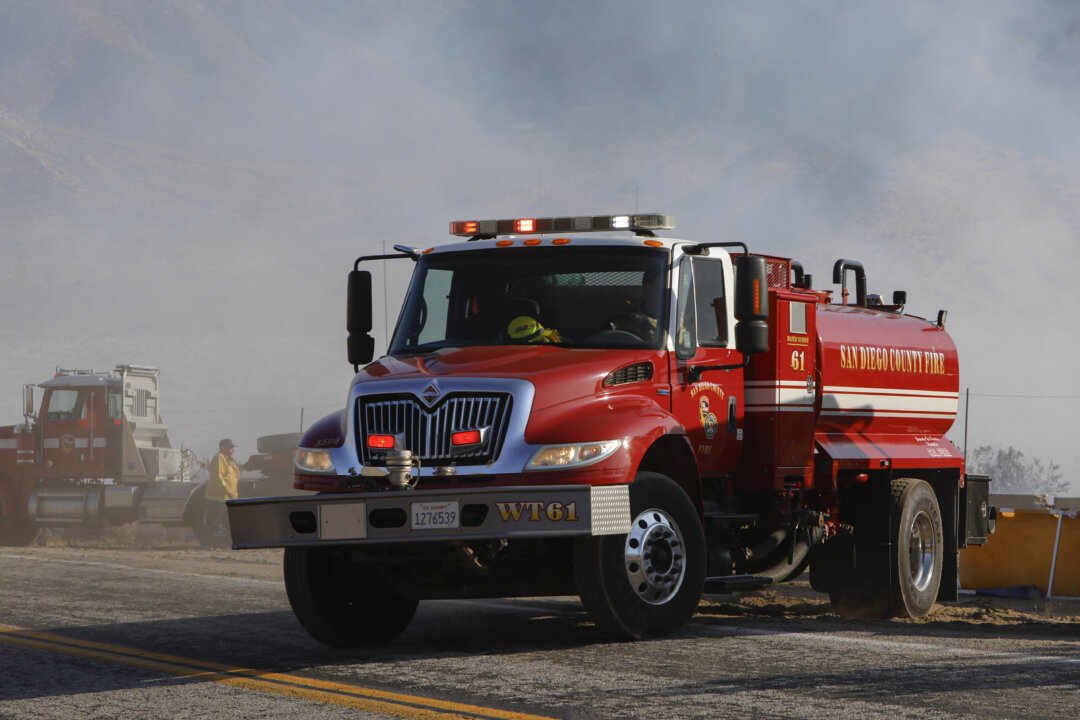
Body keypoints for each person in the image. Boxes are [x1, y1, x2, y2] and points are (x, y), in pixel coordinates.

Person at [204, 438, 240, 541]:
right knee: (215, 521)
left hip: (227, 497)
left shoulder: (230, 460)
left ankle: (223, 541)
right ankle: (211, 542)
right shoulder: (219, 458)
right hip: (217, 497)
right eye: (230, 447)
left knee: (225, 521)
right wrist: (227, 490)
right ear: (223, 447)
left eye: (233, 447)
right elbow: (218, 477)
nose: (233, 449)